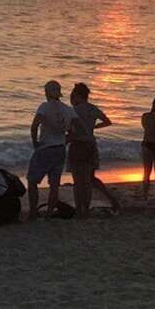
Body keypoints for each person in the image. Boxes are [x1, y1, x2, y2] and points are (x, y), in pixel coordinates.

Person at [66, 82, 119, 217]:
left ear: (77, 95)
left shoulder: (73, 111)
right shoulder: (92, 108)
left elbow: (68, 128)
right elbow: (107, 121)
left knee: (78, 182)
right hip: (90, 146)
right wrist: (93, 128)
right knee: (88, 181)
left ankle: (79, 210)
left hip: (77, 146)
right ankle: (86, 209)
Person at [26, 80, 77, 220]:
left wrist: (35, 142)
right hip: (60, 149)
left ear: (47, 92)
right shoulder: (68, 109)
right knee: (54, 184)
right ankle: (49, 214)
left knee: (32, 181)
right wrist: (64, 142)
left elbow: (34, 126)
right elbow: (73, 132)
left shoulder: (44, 107)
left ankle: (33, 213)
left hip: (45, 148)